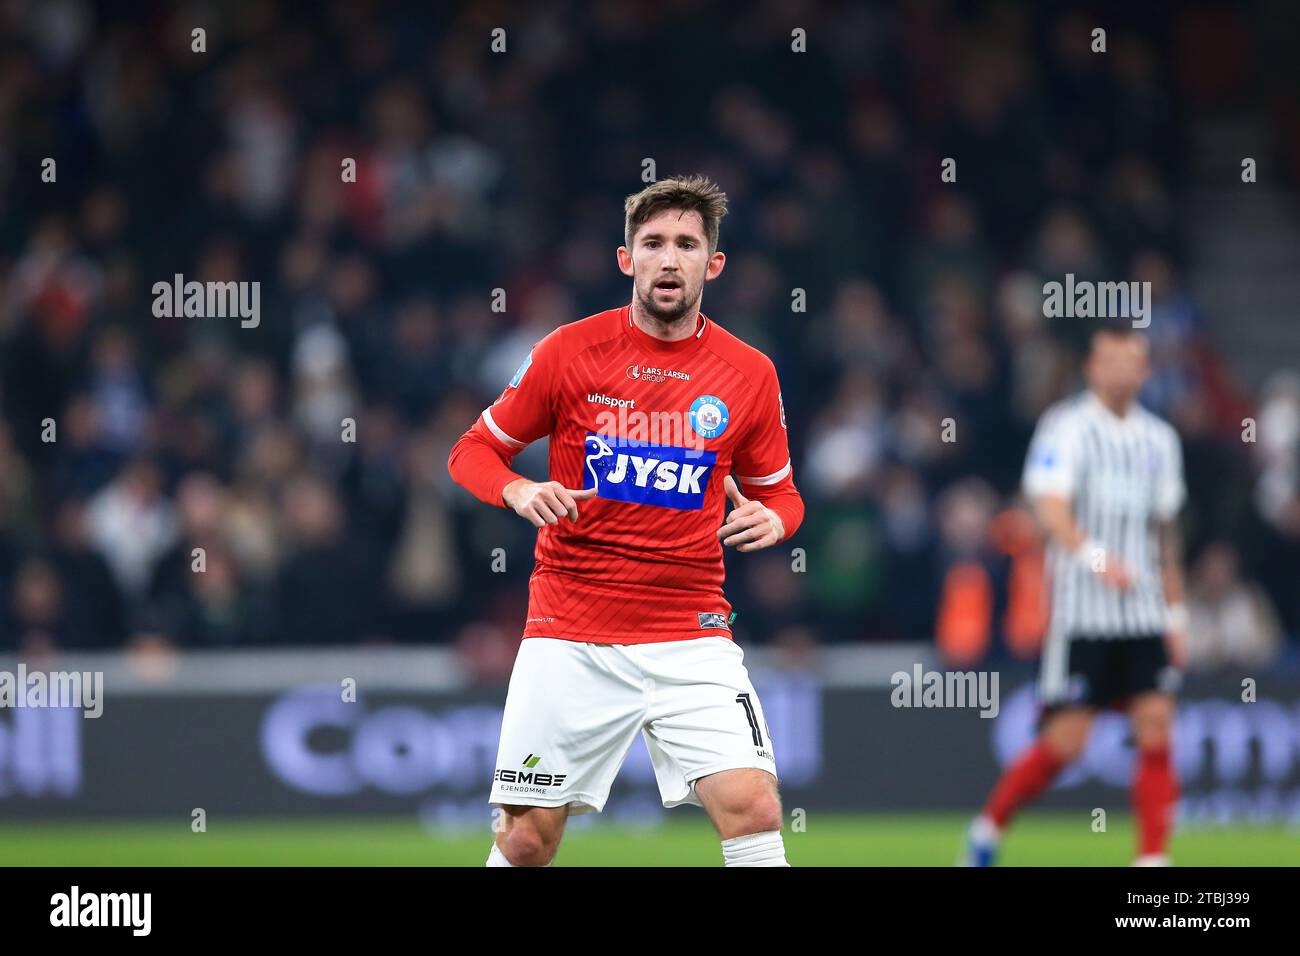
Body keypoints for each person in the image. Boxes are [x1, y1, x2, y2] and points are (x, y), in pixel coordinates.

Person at [448, 176, 804, 867]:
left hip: (691, 631)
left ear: (713, 264)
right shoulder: (567, 352)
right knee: (526, 839)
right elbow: (471, 451)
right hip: (571, 627)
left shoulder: (750, 373)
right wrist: (518, 492)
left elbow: (782, 495)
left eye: (686, 245)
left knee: (754, 806)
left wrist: (777, 522)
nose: (669, 260)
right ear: (626, 259)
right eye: (653, 244)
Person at [965, 324, 1187, 866]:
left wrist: (1177, 611)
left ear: (1145, 369)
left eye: (1132, 360)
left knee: (1156, 722)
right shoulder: (1065, 428)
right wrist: (1094, 558)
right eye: (1111, 360)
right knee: (1067, 743)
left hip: (1143, 612)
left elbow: (1166, 533)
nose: (1121, 371)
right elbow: (1049, 508)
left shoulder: (1160, 439)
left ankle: (1152, 861)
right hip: (1082, 615)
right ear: (1092, 368)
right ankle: (988, 827)